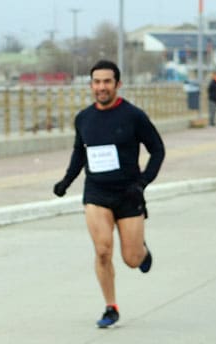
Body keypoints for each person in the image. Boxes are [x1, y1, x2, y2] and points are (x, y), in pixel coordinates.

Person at [52, 59, 165, 328]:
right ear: (91, 85)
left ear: (117, 84)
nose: (101, 87)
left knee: (132, 259)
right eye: (97, 82)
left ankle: (142, 251)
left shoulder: (133, 115)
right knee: (103, 250)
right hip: (96, 193)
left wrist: (143, 183)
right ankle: (110, 306)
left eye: (107, 82)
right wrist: (66, 181)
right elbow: (80, 153)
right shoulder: (84, 118)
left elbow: (157, 150)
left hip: (128, 193)